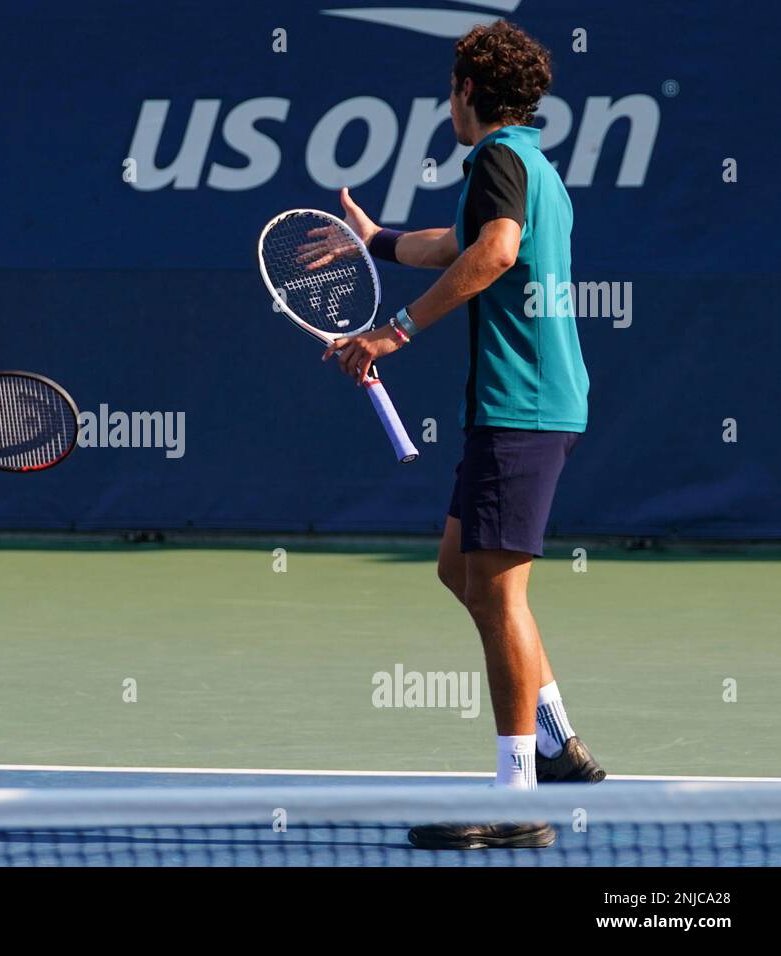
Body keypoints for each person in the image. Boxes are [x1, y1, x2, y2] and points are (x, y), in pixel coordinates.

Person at [323, 21, 604, 849]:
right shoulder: (532, 167)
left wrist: (391, 333)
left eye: (452, 88)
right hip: (534, 404)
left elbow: (494, 251)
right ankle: (554, 743)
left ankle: (520, 794)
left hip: (522, 405)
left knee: (499, 593)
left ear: (469, 92)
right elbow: (457, 242)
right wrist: (373, 240)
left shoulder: (496, 160)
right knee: (463, 570)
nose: (449, 101)